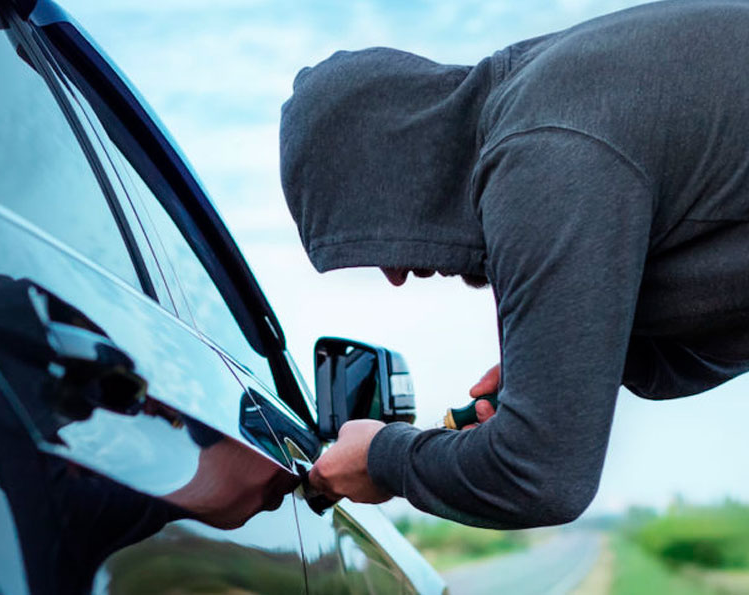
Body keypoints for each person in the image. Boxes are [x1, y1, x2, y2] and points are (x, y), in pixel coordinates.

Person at [279, 0, 749, 529]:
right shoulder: (554, 105)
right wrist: (590, 354)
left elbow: (540, 479)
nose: (395, 274)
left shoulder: (540, 156)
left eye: (371, 231)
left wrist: (385, 458)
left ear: (395, 168)